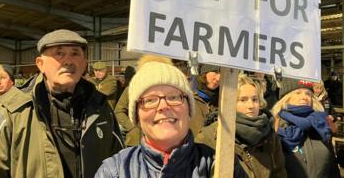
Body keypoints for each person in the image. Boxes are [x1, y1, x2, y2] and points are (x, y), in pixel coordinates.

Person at [0, 29, 124, 178]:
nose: (68, 61)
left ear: (84, 64)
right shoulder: (9, 114)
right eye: (59, 53)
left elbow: (119, 163)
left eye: (75, 53)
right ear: (40, 64)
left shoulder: (101, 109)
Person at [95, 56, 246, 177]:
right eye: (150, 100)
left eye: (173, 97)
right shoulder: (114, 171)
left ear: (189, 108)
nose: (163, 106)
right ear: (137, 115)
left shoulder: (220, 165)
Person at [196, 74, 286, 178]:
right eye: (243, 100)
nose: (251, 105)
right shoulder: (210, 136)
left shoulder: (269, 135)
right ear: (229, 102)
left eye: (255, 99)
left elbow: (279, 173)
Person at [272, 78, 340, 178]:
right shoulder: (275, 125)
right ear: (286, 98)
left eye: (308, 94)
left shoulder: (320, 124)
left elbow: (332, 167)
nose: (304, 97)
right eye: (298, 93)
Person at [189, 64, 221, 136]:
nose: (218, 78)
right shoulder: (189, 100)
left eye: (222, 73)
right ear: (204, 73)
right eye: (215, 72)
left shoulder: (223, 101)